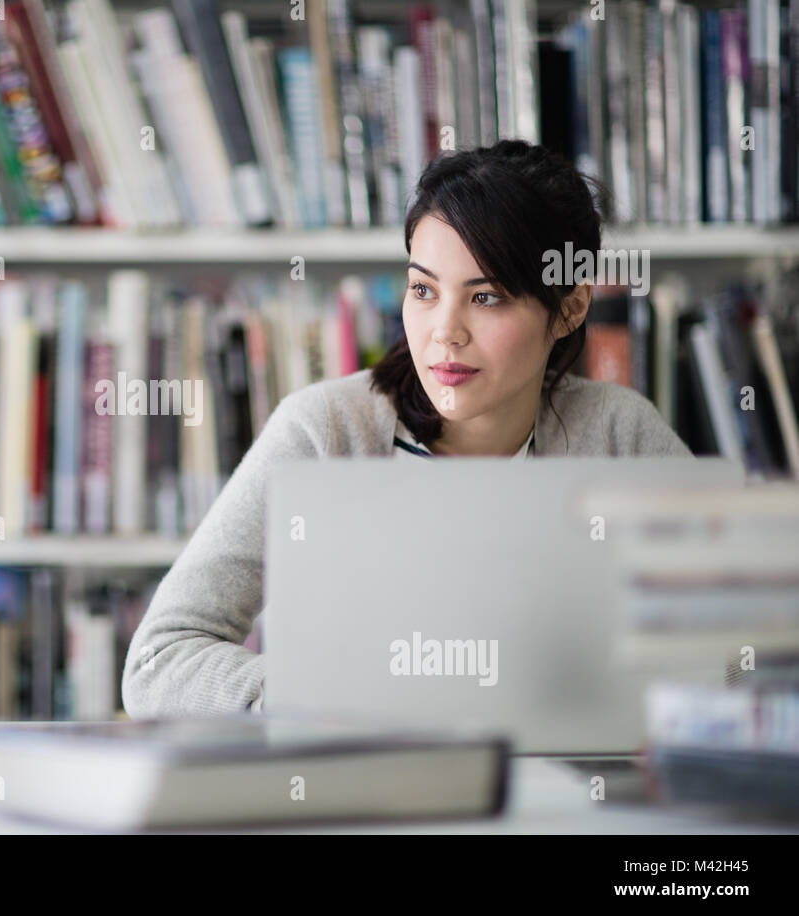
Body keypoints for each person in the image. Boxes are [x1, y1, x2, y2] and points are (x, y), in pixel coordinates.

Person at [121, 140, 692, 718]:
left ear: (569, 308)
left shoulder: (621, 435)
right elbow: (157, 662)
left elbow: (742, 651)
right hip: (367, 791)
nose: (445, 332)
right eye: (424, 290)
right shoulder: (325, 433)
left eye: (486, 297)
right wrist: (331, 697)